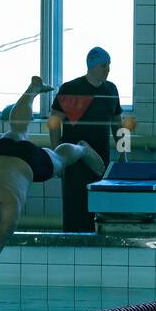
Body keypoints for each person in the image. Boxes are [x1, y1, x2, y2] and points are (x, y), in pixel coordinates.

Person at [0, 77, 106, 278]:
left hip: (28, 162)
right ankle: (32, 89)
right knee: (17, 128)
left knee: (60, 159)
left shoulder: (8, 204)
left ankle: (82, 149)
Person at [49, 46, 122, 232]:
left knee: (100, 207)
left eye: (109, 65)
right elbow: (55, 121)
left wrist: (124, 152)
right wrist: (57, 157)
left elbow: (118, 123)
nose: (108, 69)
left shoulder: (111, 89)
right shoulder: (71, 88)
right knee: (75, 207)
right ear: (92, 66)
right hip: (74, 159)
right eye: (104, 65)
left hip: (101, 158)